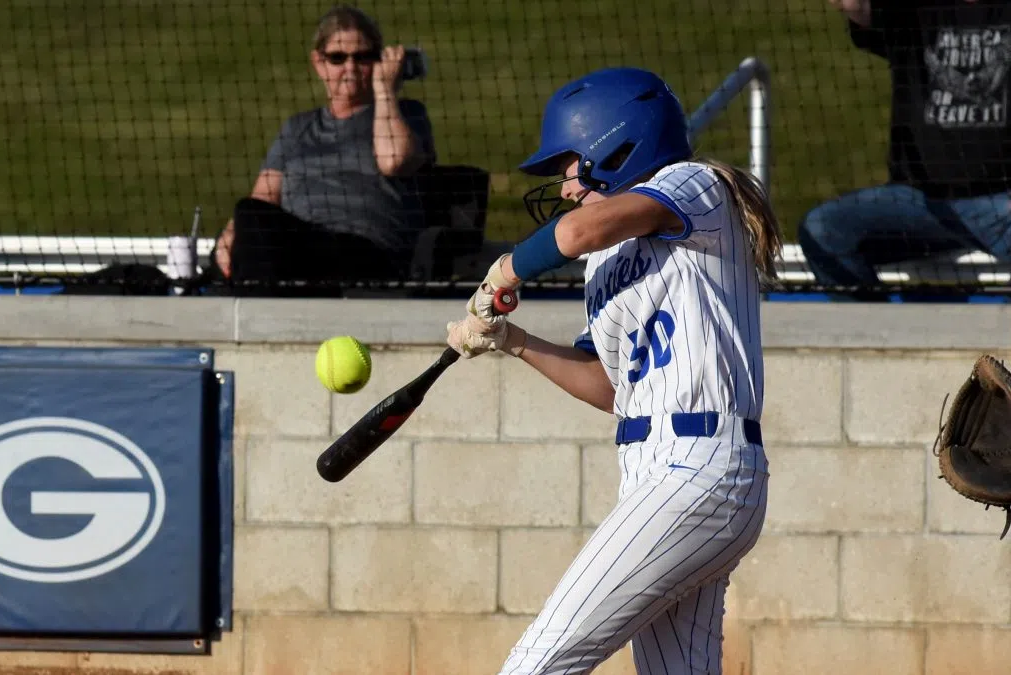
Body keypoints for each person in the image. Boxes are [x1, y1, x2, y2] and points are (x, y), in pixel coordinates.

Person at [445, 67, 782, 674]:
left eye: (570, 163)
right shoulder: (609, 258)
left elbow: (572, 231)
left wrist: (506, 270)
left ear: (617, 145)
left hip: (698, 467)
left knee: (538, 663)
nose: (566, 185)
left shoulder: (693, 184)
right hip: (656, 470)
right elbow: (608, 387)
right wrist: (510, 338)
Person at [799, 0, 1011, 299]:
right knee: (824, 228)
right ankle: (877, 342)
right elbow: (854, 5)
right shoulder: (911, 10)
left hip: (1003, 204)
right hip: (917, 204)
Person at [212, 4, 436, 285]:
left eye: (363, 57)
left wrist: (385, 91)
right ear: (319, 62)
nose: (350, 67)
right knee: (244, 221)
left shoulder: (406, 114)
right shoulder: (297, 128)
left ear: (379, 62)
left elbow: (394, 160)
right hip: (297, 244)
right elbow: (262, 198)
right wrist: (231, 234)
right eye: (338, 58)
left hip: (367, 252)